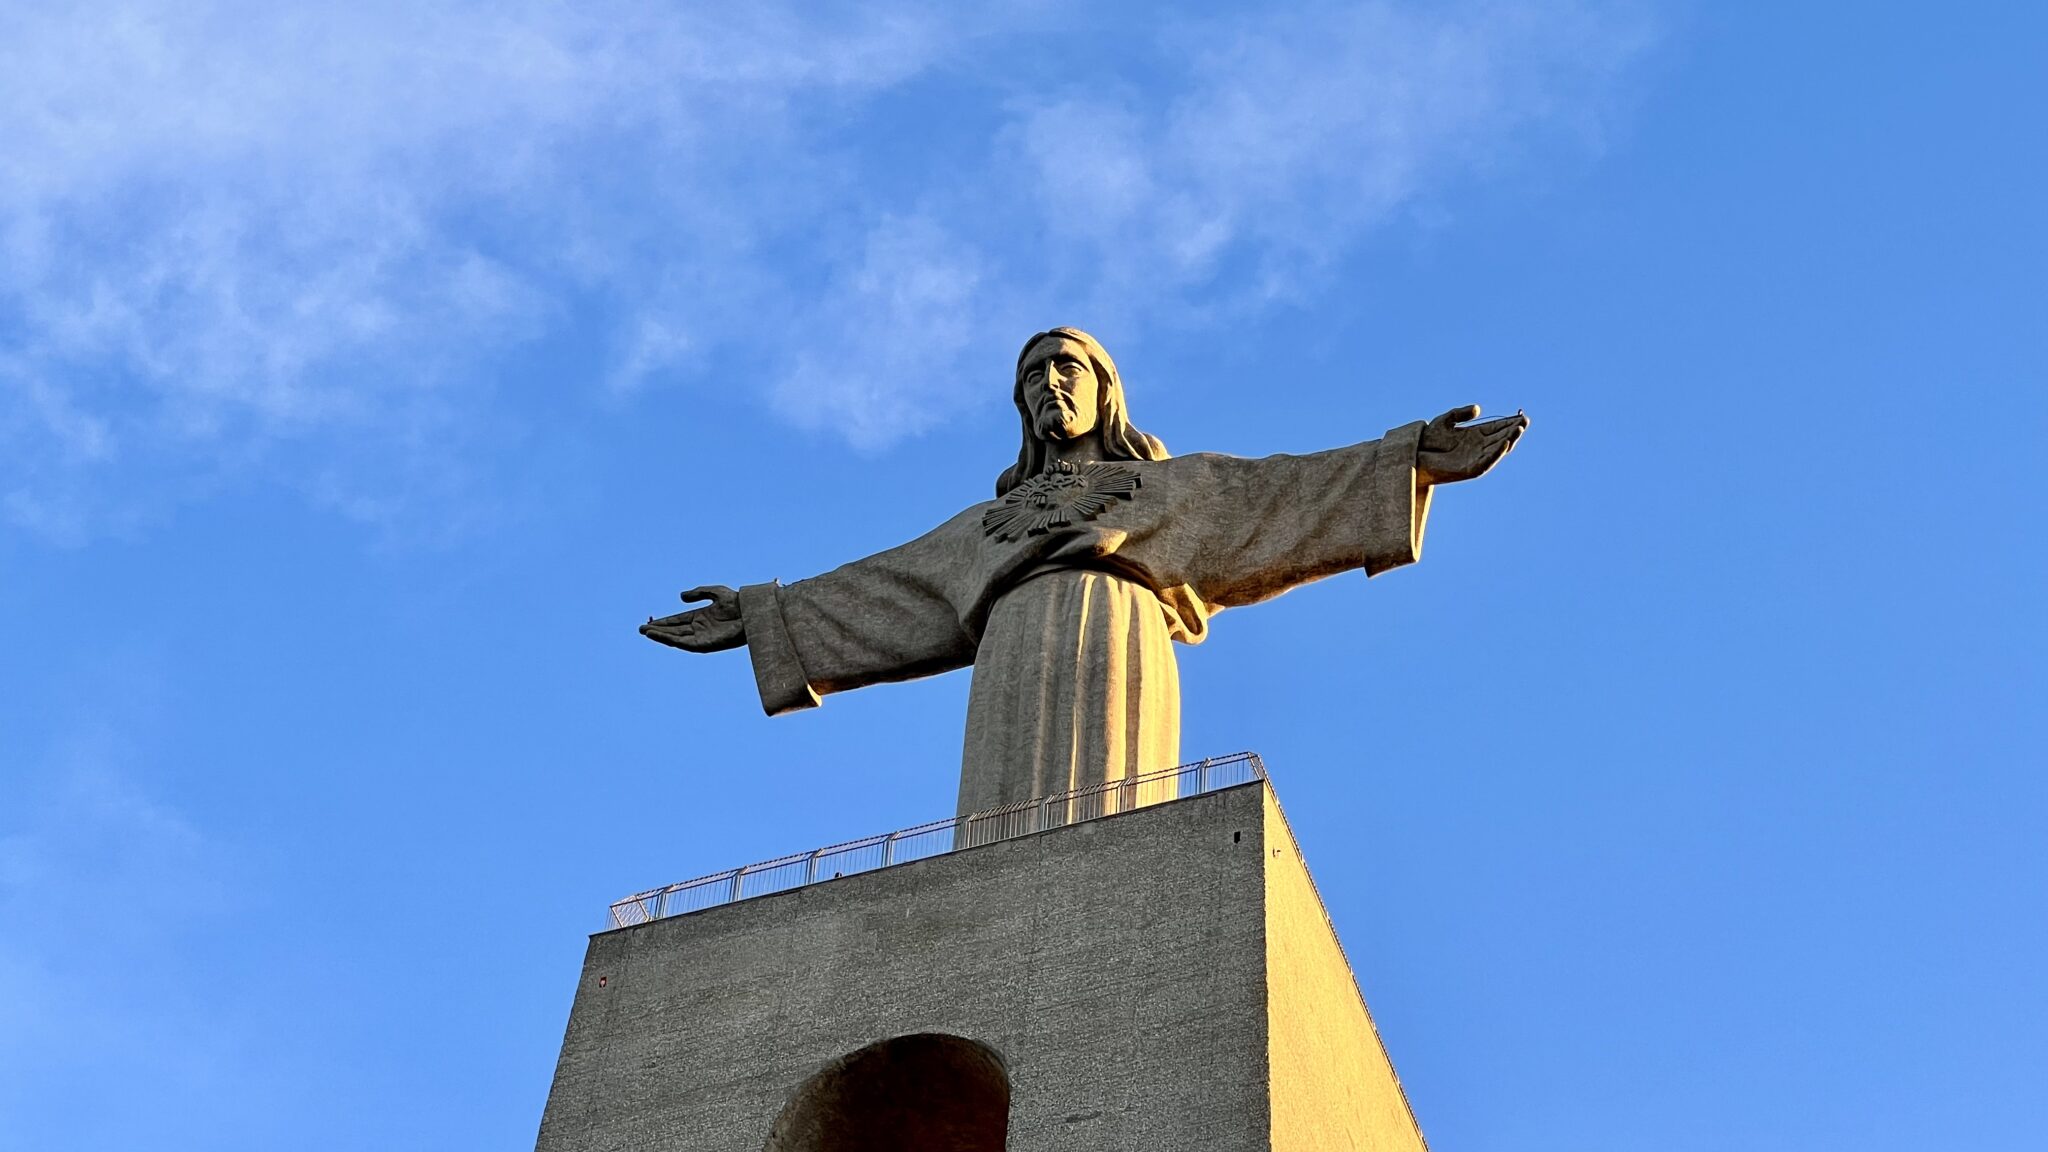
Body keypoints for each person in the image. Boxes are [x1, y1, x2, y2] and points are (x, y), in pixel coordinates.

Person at [643, 327, 1526, 816]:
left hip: (1121, 634)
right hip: (1011, 659)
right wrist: (764, 614)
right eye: (1032, 375)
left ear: (1106, 390)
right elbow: (885, 587)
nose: (1048, 385)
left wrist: (1404, 460)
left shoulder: (1174, 487)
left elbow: (1285, 491)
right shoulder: (982, 528)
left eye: (1068, 368)